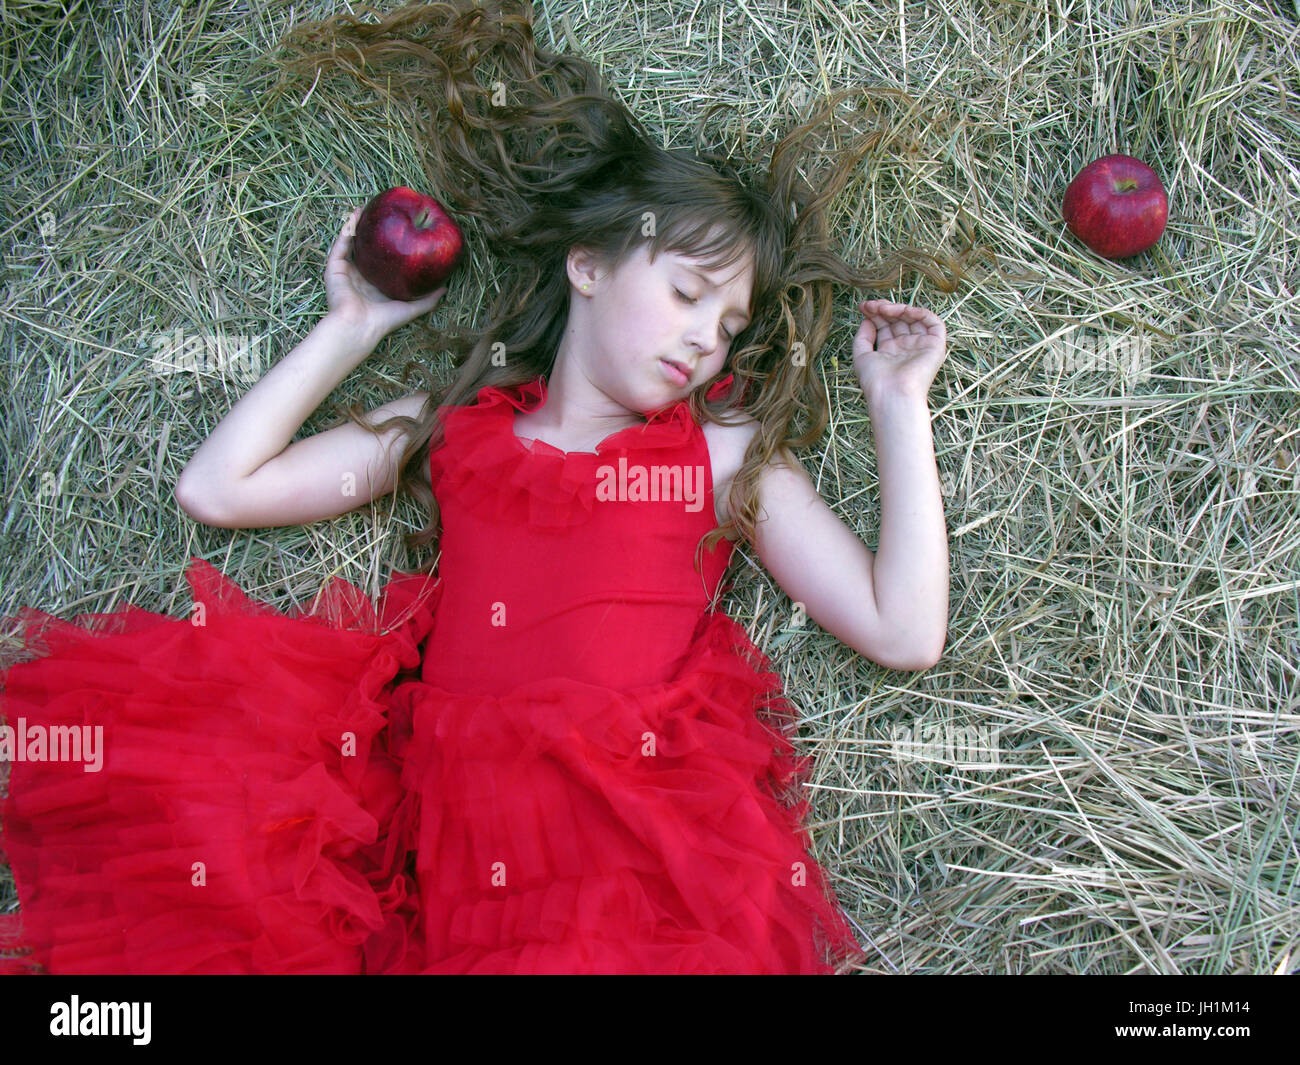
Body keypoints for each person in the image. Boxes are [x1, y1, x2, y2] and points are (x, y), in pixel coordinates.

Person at [0, 0, 963, 974]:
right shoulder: (460, 425)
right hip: (447, 840)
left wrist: (896, 405)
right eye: (683, 294)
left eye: (725, 326)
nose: (701, 338)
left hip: (619, 847)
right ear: (587, 263)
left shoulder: (715, 453)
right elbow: (219, 488)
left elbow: (902, 630)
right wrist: (358, 322)